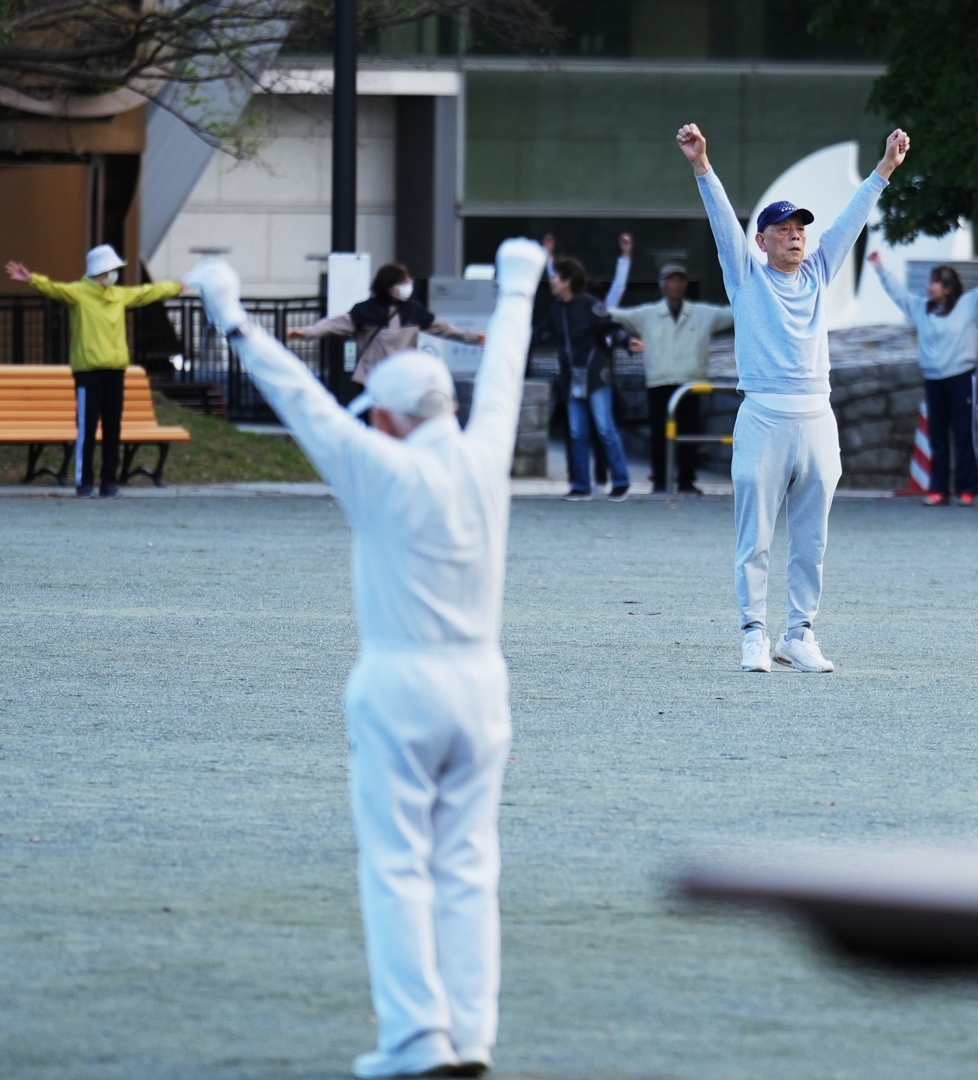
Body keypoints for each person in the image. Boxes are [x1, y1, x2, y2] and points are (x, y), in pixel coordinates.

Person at [185, 236, 548, 1080]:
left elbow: (298, 397)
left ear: (384, 416)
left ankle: (417, 1037)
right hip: (483, 686)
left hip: (400, 680)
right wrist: (519, 285)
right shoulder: (484, 455)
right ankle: (471, 1034)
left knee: (397, 866)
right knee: (468, 866)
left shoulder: (376, 465)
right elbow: (502, 373)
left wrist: (231, 314)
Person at [681, 121, 910, 673]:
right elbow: (720, 224)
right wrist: (701, 165)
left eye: (799, 228)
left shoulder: (817, 272)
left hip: (816, 415)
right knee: (754, 533)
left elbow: (851, 222)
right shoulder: (745, 275)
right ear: (760, 241)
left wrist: (884, 170)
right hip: (763, 413)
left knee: (813, 539)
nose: (795, 235)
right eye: (782, 229)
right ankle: (754, 633)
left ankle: (799, 633)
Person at [5, 245, 184, 497]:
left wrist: (175, 287)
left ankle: (109, 482)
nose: (115, 274)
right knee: (87, 428)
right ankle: (84, 480)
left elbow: (147, 292)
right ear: (101, 271)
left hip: (115, 370)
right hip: (88, 371)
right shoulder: (79, 293)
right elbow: (54, 290)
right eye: (112, 269)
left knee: (113, 428)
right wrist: (32, 279)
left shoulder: (117, 295)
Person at [868, 236, 978, 506]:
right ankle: (938, 490)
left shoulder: (967, 305)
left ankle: (967, 489)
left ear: (947, 288)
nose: (928, 286)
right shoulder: (920, 309)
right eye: (929, 281)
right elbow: (898, 293)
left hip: (961, 377)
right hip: (933, 379)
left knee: (963, 434)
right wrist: (880, 269)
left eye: (933, 282)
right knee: (937, 437)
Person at [611, 260, 735, 495]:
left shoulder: (702, 314)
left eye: (680, 280)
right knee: (660, 434)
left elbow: (734, 314)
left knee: (689, 433)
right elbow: (614, 315)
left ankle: (687, 480)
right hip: (660, 383)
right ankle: (659, 480)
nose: (676, 284)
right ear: (662, 285)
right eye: (671, 280)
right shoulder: (647, 314)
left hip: (691, 383)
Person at [289, 262, 485, 401]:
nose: (408, 285)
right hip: (373, 381)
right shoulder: (366, 310)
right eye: (403, 282)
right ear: (389, 286)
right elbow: (335, 324)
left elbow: (444, 329)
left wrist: (474, 338)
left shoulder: (413, 310)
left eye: (408, 280)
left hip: (405, 379)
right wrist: (306, 333)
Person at [536, 256, 643, 501]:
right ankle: (581, 485)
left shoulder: (589, 305)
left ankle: (620, 481)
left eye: (555, 277)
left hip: (595, 377)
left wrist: (627, 341)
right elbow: (540, 333)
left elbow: (610, 328)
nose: (551, 281)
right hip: (571, 379)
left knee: (605, 428)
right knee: (576, 432)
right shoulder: (557, 309)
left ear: (568, 281)